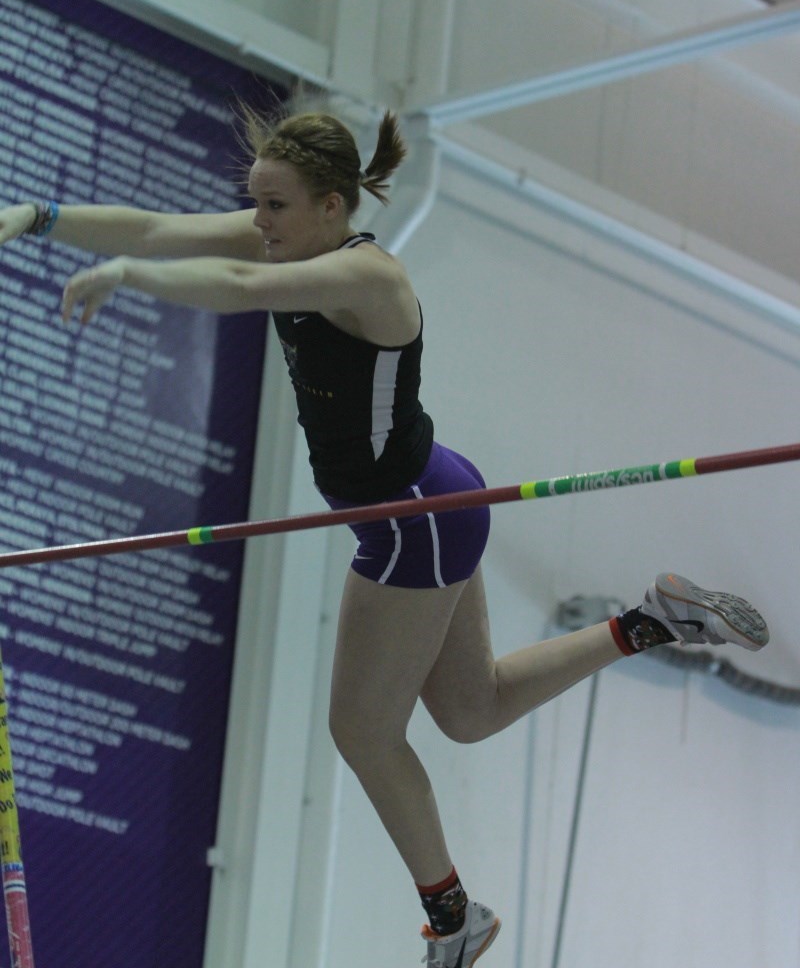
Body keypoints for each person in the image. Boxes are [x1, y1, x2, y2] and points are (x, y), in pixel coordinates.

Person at [1, 109, 769, 967]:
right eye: (255, 206)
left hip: (413, 518)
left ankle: (453, 918)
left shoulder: (369, 279)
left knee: (363, 733)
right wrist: (39, 217)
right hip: (431, 496)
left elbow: (238, 286)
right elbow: (157, 226)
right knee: (469, 711)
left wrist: (127, 276)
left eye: (275, 208)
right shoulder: (291, 241)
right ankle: (653, 620)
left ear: (333, 207)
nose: (259, 224)